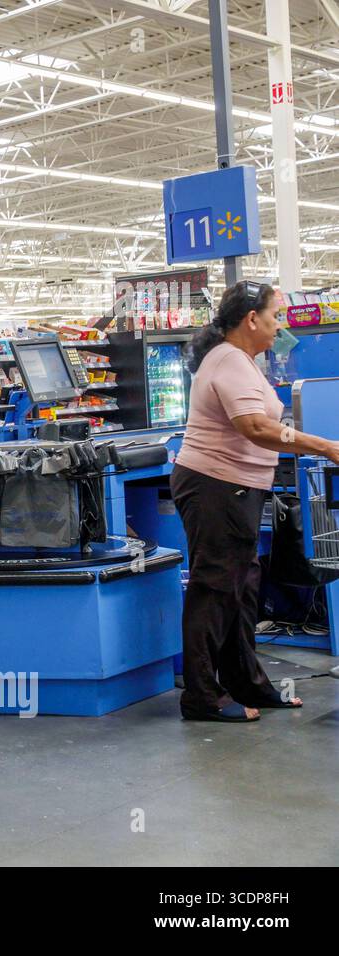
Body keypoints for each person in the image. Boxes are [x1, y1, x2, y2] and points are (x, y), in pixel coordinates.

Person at [171, 280, 339, 723]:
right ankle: (202, 698)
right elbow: (254, 427)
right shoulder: (229, 361)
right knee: (214, 590)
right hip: (215, 486)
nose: (279, 326)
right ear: (251, 320)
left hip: (236, 487)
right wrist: (324, 445)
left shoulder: (241, 361)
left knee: (241, 591)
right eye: (275, 316)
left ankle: (247, 684)